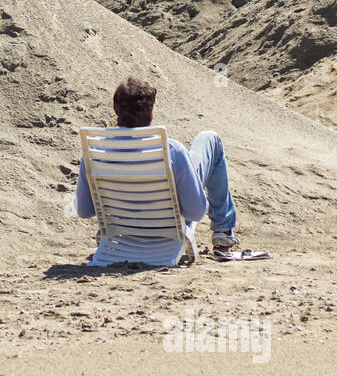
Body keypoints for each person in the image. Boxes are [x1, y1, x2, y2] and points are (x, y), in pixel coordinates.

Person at [74, 77, 243, 255]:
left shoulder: (93, 151)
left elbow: (84, 210)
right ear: (151, 112)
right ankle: (223, 233)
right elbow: (195, 213)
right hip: (169, 231)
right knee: (210, 138)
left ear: (116, 110)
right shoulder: (172, 149)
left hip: (122, 233)